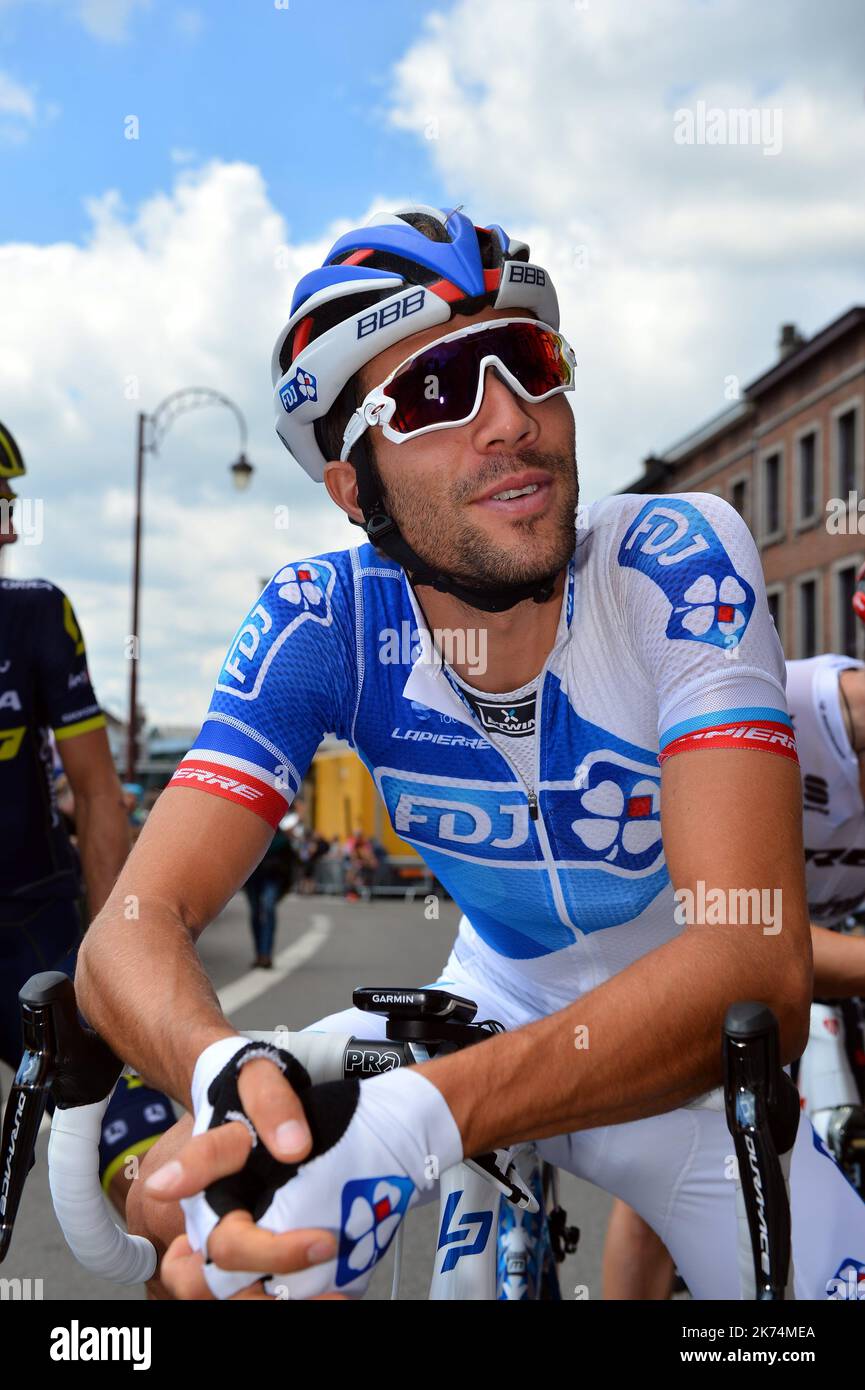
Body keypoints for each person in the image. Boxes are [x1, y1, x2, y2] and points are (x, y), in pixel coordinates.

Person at [75, 205, 865, 1301]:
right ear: (353, 489)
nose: (510, 417)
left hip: (682, 1043)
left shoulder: (675, 560)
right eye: (439, 391)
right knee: (211, 1261)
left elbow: (756, 974)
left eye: (529, 362)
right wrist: (221, 1073)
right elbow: (127, 931)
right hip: (491, 996)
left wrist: (416, 1117)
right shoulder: (322, 619)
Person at [603, 648, 865, 1298]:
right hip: (710, 933)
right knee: (670, 1159)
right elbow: (738, 932)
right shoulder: (774, 703)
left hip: (831, 938)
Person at [0, 420, 173, 1212]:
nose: (8, 526)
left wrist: (112, 955)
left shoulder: (36, 616)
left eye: (7, 504)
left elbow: (100, 795)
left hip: (34, 925)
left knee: (164, 1189)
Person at [242, 821, 295, 967]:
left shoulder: (281, 839)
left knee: (268, 908)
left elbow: (290, 863)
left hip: (272, 878)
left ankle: (266, 954)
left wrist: (285, 883)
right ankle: (259, 953)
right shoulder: (249, 835)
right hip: (253, 878)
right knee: (255, 913)